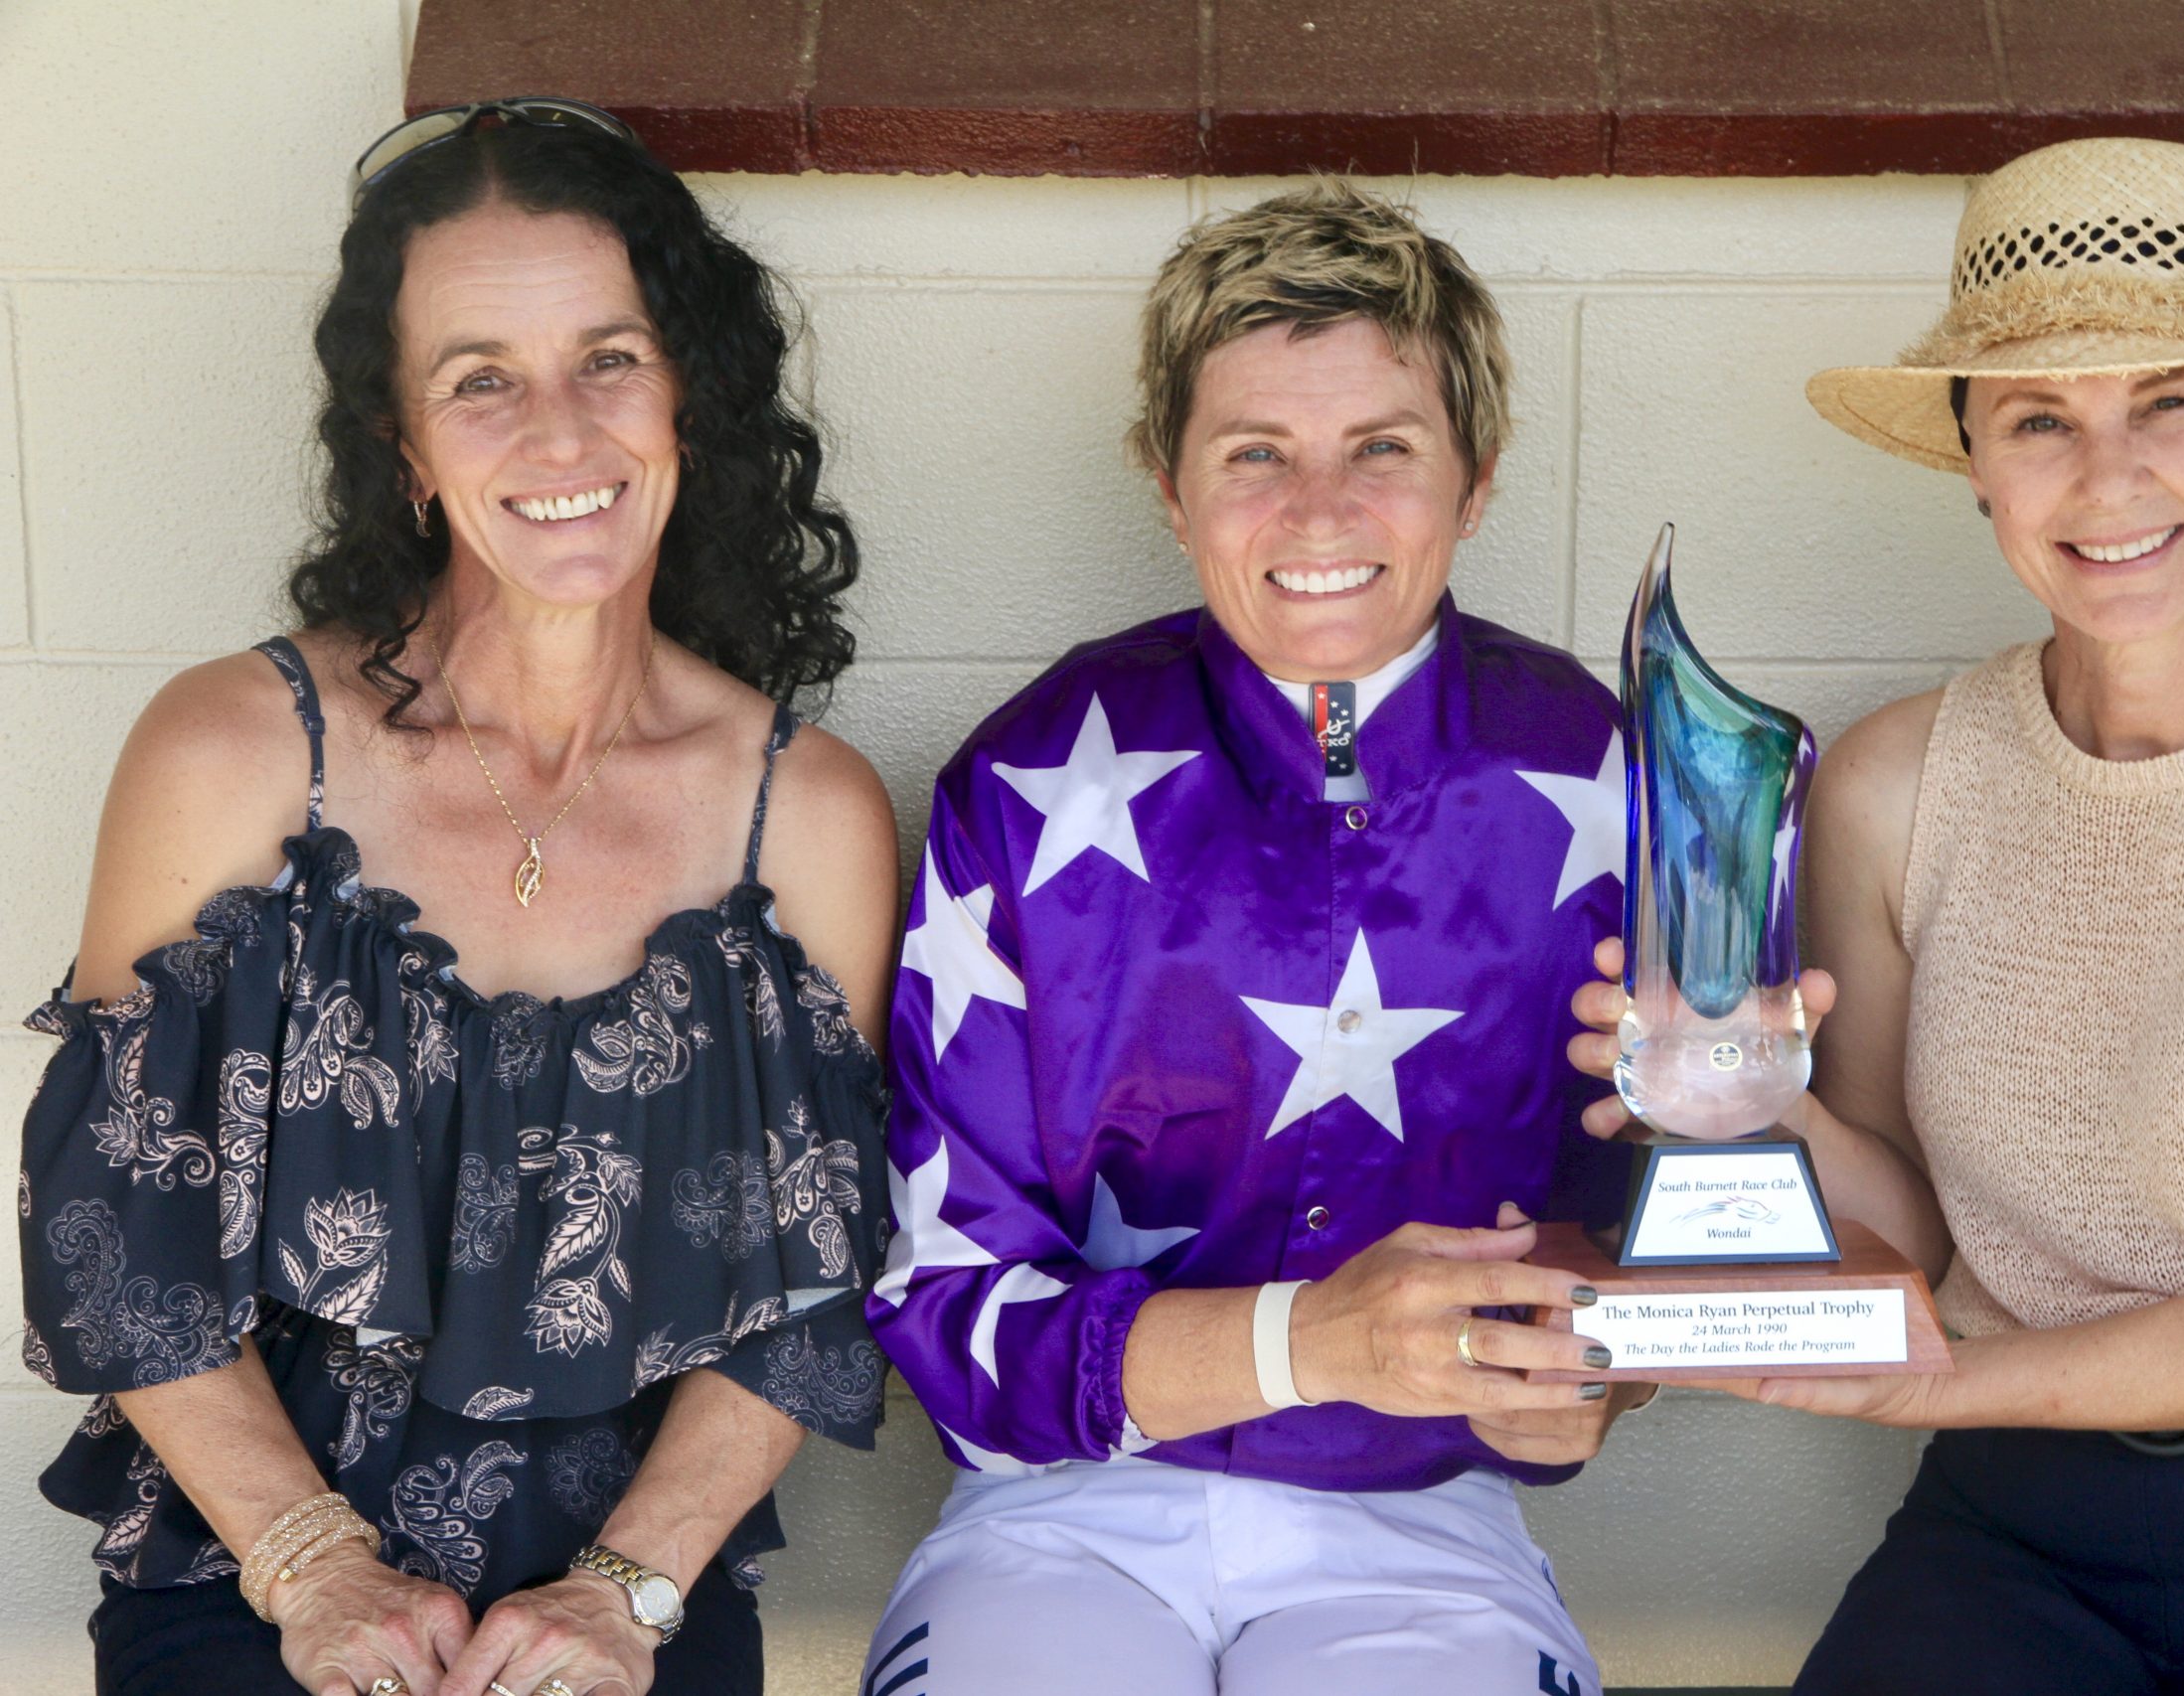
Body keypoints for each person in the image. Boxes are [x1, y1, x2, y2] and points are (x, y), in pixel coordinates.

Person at [1570, 136, 2184, 1692]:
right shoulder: (1896, 783)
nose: (2107, 478)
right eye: (2040, 419)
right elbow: (1911, 1231)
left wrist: (1940, 1388)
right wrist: (1747, 1099)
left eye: (2171, 400)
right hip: (2017, 1533)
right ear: (1974, 461)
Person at [18, 99, 898, 1696]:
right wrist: (316, 1571)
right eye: (480, 379)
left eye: (609, 358)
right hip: (255, 1579)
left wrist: (623, 1595)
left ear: (689, 394)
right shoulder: (237, 753)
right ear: (404, 446)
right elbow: (116, 1232)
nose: (559, 434)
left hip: (635, 1596)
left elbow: (818, 1288)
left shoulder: (809, 816)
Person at [861, 179, 1638, 1695]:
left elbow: (1652, 1234)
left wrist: (1597, 1379)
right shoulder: (1029, 774)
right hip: (1061, 1508)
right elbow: (949, 1314)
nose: (1320, 510)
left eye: (1383, 448)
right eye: (1255, 452)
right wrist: (1311, 1343)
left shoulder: (1606, 771)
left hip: (1425, 1518)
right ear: (1170, 486)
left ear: (1477, 480)